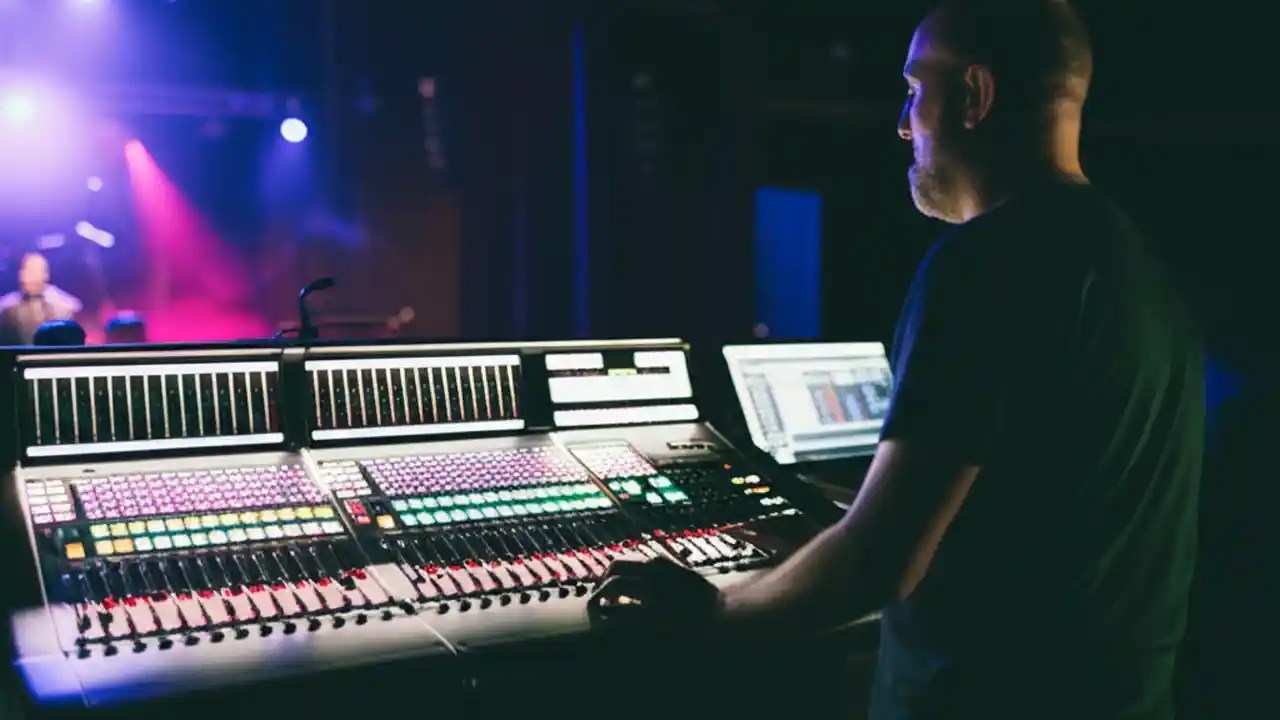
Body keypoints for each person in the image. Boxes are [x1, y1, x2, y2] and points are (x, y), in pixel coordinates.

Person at [588, 2, 1203, 719]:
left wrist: (715, 612)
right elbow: (1041, 520)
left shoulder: (985, 265)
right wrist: (831, 535)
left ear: (974, 95)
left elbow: (878, 565)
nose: (905, 124)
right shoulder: (1141, 265)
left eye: (915, 91)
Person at [0, 253, 84, 345]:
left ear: (45, 274)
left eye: (32, 271)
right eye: (24, 270)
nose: (25, 276)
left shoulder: (67, 306)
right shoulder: (6, 308)